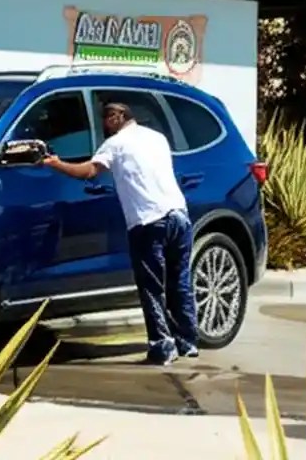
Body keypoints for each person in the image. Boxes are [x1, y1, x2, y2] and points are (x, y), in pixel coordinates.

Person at [41, 101, 199, 365]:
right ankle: (188, 342)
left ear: (118, 117)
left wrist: (55, 163)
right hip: (179, 216)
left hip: (149, 221)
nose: (103, 125)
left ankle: (162, 346)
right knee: (179, 281)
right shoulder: (157, 138)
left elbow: (89, 171)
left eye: (105, 118)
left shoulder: (116, 144)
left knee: (151, 287)